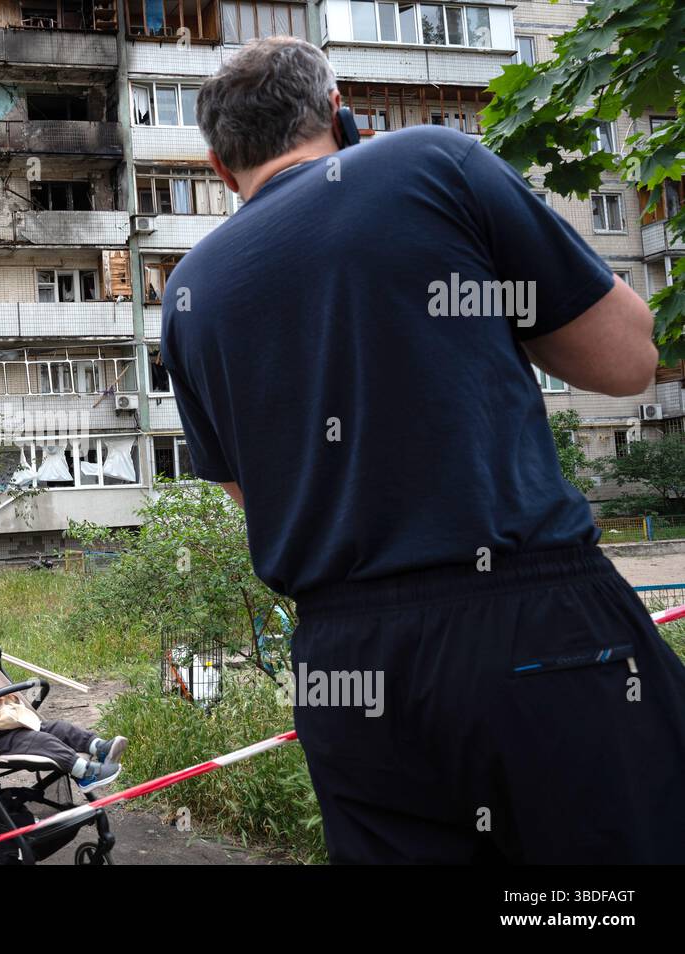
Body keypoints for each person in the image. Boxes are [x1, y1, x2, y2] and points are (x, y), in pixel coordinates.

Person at [160, 36, 685, 863]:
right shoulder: (434, 162)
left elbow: (254, 500)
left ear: (222, 171)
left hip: (344, 665)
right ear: (344, 119)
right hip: (527, 620)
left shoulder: (189, 291)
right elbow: (626, 363)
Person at [0, 650, 127, 792]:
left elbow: (14, 704)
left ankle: (99, 747)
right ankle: (84, 773)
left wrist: (9, 698)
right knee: (44, 742)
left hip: (20, 725)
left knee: (60, 727)